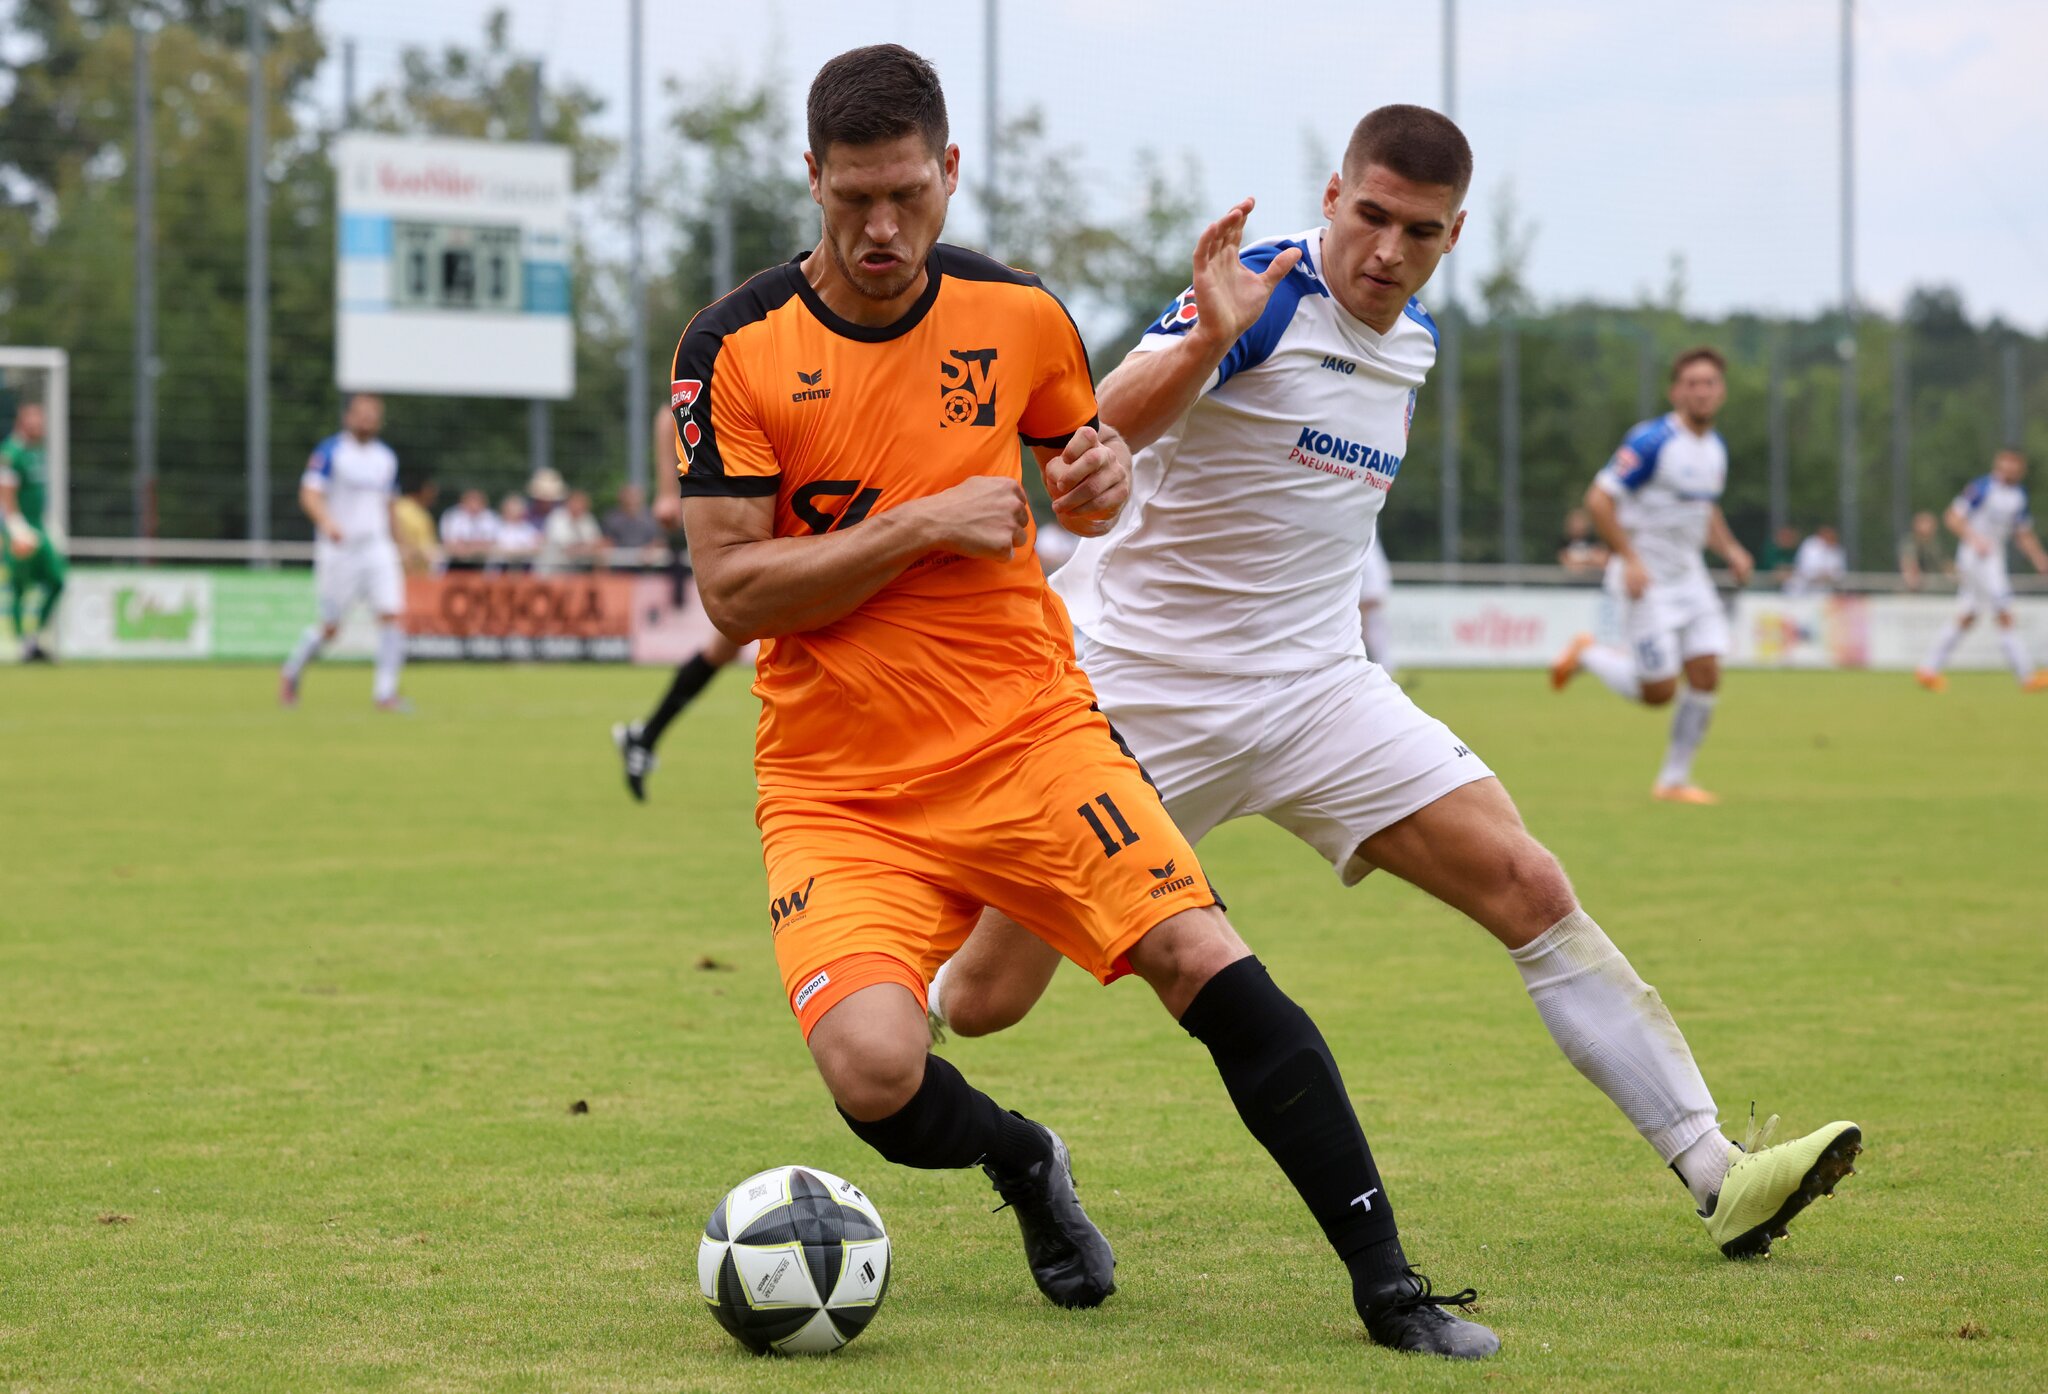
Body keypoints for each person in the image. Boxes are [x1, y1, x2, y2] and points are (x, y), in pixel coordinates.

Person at [671, 47, 1496, 1359]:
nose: (884, 230)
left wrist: (1100, 475)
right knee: (877, 1074)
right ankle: (1025, 1161)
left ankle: (1392, 1287)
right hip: (840, 786)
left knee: (1202, 957)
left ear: (948, 173)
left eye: (909, 196)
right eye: (855, 201)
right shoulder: (734, 345)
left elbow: (1084, 473)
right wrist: (924, 522)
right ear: (813, 178)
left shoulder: (1019, 316)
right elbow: (735, 592)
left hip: (1029, 736)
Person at [932, 113, 1858, 1280]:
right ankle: (965, 1108)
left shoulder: (1414, 342)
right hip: (1134, 698)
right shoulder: (1259, 294)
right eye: (1367, 216)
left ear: (1451, 234)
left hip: (1319, 694)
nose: (1385, 248)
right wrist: (1196, 339)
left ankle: (1717, 1171)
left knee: (1526, 880)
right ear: (1331, 196)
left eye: (1417, 230)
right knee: (981, 999)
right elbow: (1093, 430)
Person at [1550, 349, 1756, 805]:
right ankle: (1588, 654)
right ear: (1676, 391)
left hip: (1691, 577)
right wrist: (1630, 559)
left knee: (1706, 673)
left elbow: (1704, 510)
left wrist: (1732, 550)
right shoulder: (1651, 441)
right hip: (1645, 581)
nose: (1701, 391)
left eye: (1710, 383)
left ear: (1721, 392)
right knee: (1659, 692)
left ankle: (1674, 781)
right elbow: (1599, 500)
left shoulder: (1715, 448)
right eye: (1692, 383)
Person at [612, 407, 745, 802]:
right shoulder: (736, 350)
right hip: (743, 518)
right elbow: (669, 412)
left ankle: (645, 737)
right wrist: (668, 493)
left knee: (727, 643)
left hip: (765, 513)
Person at [279, 393, 410, 711]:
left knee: (392, 616)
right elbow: (309, 494)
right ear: (348, 417)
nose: (366, 419)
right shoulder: (331, 452)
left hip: (377, 548)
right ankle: (292, 670)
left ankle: (385, 694)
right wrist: (327, 522)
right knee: (331, 628)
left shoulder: (386, 458)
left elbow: (389, 506)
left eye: (373, 414)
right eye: (361, 413)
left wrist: (402, 542)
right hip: (340, 551)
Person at [1916, 449, 2048, 692]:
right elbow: (1953, 517)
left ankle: (1928, 669)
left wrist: (2039, 558)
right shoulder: (1983, 487)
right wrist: (1974, 538)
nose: (2010, 468)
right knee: (2004, 611)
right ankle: (2027, 675)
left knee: (1968, 615)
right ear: (1998, 462)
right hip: (1976, 557)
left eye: (2015, 464)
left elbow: (2023, 533)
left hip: (1995, 557)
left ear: (2021, 469)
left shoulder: (2019, 495)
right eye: (2006, 462)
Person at [0, 402, 67, 662]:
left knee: (56, 579)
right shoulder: (11, 452)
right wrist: (17, 530)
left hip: (40, 527)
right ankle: (23, 646)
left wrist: (50, 526)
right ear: (23, 423)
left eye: (41, 421)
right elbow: (6, 495)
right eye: (34, 422)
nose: (40, 427)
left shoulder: (37, 453)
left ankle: (35, 637)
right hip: (19, 529)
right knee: (19, 587)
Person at [1357, 533, 1396, 674]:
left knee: (1376, 646)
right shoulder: (1369, 547)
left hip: (1369, 609)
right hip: (1369, 607)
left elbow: (1371, 597)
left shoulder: (1367, 548)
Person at [539, 489, 605, 572]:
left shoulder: (587, 518)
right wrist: (587, 547)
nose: (580, 506)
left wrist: (590, 547)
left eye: (583, 504)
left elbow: (597, 542)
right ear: (569, 503)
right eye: (577, 502)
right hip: (553, 570)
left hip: (576, 570)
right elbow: (565, 546)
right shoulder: (557, 517)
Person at [392, 476, 443, 576]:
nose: (434, 494)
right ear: (423, 490)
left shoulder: (396, 508)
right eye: (431, 490)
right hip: (414, 574)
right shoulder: (420, 516)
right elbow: (427, 550)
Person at [602, 483, 665, 557]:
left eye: (634, 495)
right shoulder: (611, 518)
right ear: (621, 497)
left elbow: (660, 541)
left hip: (647, 563)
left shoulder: (652, 517)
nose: (631, 499)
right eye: (628, 495)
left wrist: (652, 548)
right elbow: (606, 541)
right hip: (618, 562)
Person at [439, 488, 499, 565]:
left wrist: (471, 547)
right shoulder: (451, 516)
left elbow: (493, 542)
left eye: (477, 502)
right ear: (463, 502)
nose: (474, 505)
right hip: (455, 560)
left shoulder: (491, 517)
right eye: (471, 501)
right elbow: (448, 541)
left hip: (484, 560)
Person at [1785, 523, 1845, 595]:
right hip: (1802, 590)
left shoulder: (1837, 549)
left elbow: (1839, 573)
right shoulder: (1810, 545)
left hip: (1825, 591)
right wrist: (1821, 574)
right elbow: (1806, 568)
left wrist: (1829, 576)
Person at [1898, 510, 1949, 591]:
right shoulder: (1910, 542)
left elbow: (1942, 563)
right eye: (1926, 523)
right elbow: (1908, 564)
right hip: (1912, 588)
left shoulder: (1934, 544)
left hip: (1931, 586)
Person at [489, 493, 541, 568]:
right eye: (511, 508)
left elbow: (536, 549)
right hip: (501, 567)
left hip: (524, 567)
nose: (514, 511)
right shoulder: (495, 526)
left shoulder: (529, 529)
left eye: (517, 508)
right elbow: (490, 548)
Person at [1556, 506, 1609, 577]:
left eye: (1580, 522)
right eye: (1575, 523)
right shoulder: (1564, 541)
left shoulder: (1594, 540)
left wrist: (1579, 563)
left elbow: (1601, 560)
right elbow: (1566, 563)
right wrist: (1589, 561)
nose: (1577, 526)